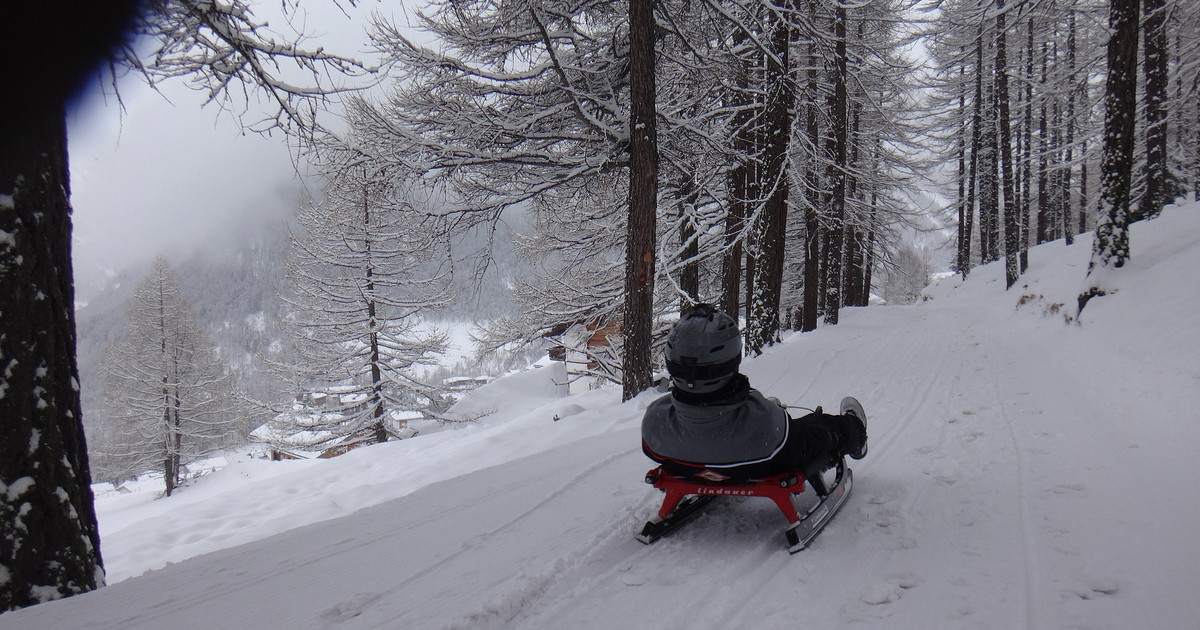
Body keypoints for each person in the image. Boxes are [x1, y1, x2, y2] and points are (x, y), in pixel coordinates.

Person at [641, 304, 867, 482]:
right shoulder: (765, 427)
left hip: (687, 463)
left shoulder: (654, 423)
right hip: (756, 461)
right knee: (817, 430)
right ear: (732, 358)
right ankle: (855, 431)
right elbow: (784, 438)